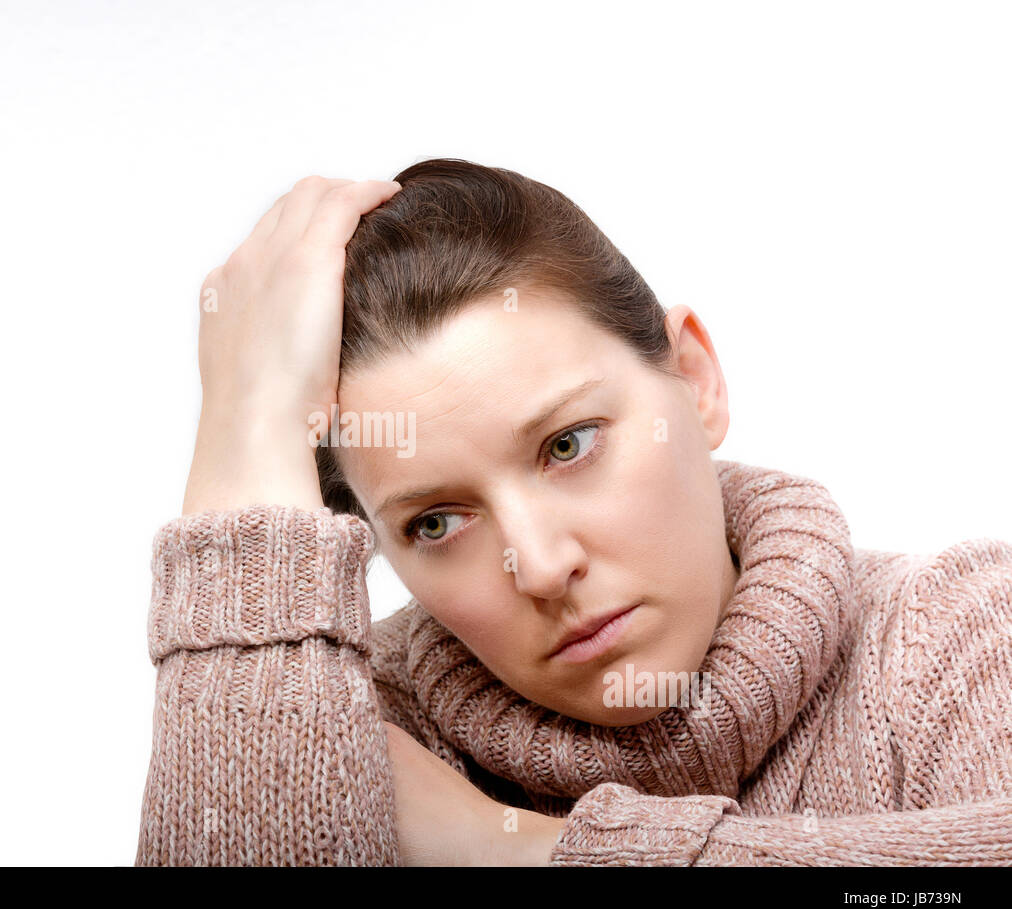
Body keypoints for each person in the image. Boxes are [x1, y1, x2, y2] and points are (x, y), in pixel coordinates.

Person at [135, 159, 1012, 865]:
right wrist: (243, 439)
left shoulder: (949, 637)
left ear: (695, 380)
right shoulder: (347, 728)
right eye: (435, 523)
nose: (543, 566)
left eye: (567, 445)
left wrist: (516, 850)